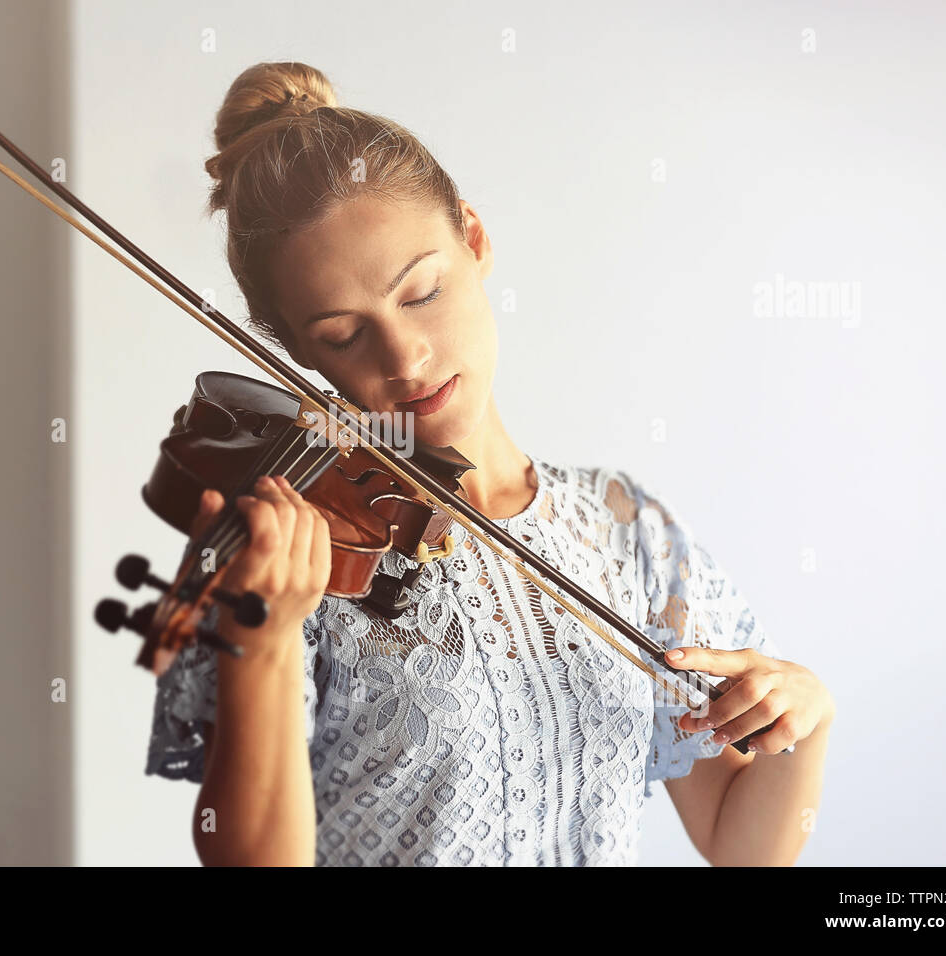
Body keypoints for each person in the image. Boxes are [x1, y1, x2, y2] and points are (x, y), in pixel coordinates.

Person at [145, 61, 835, 867]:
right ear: (292, 352)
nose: (405, 357)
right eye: (341, 336)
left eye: (420, 293)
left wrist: (807, 721)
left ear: (473, 239)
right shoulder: (297, 553)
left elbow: (743, 848)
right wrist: (261, 644)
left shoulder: (625, 530)